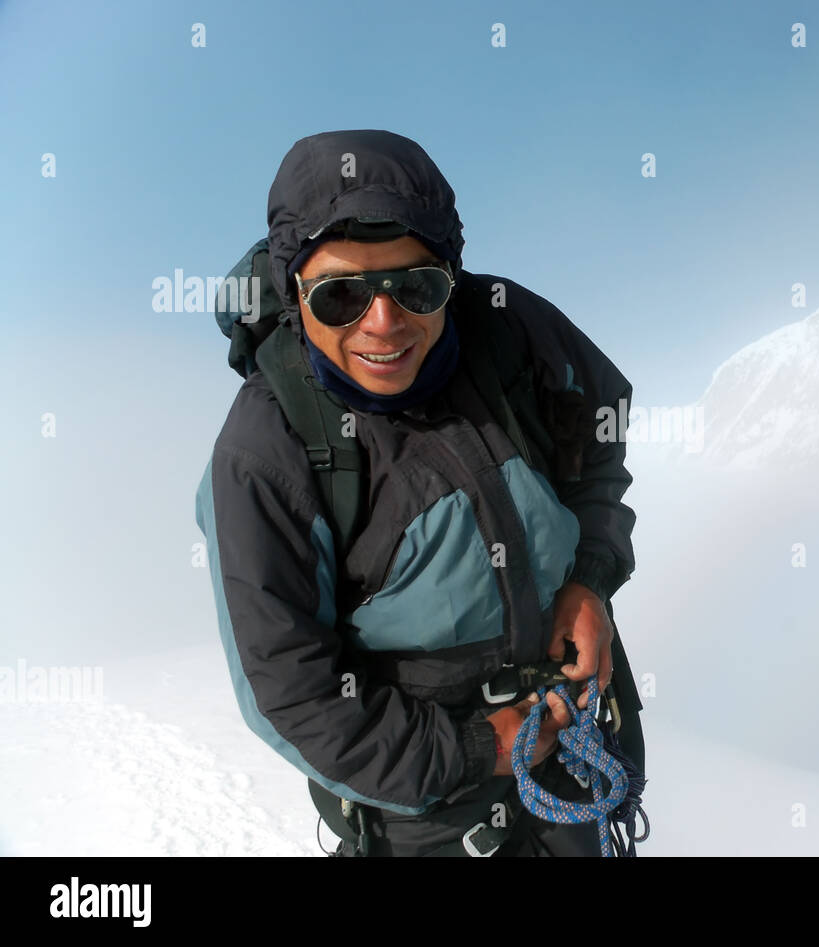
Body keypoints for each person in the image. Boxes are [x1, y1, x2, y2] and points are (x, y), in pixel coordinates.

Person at [195, 129, 639, 856]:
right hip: (432, 822)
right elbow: (291, 692)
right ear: (293, 288)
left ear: (450, 276)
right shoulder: (265, 453)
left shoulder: (505, 330)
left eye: (417, 286)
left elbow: (598, 434)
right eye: (340, 295)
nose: (384, 321)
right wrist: (475, 750)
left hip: (571, 768)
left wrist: (590, 582)